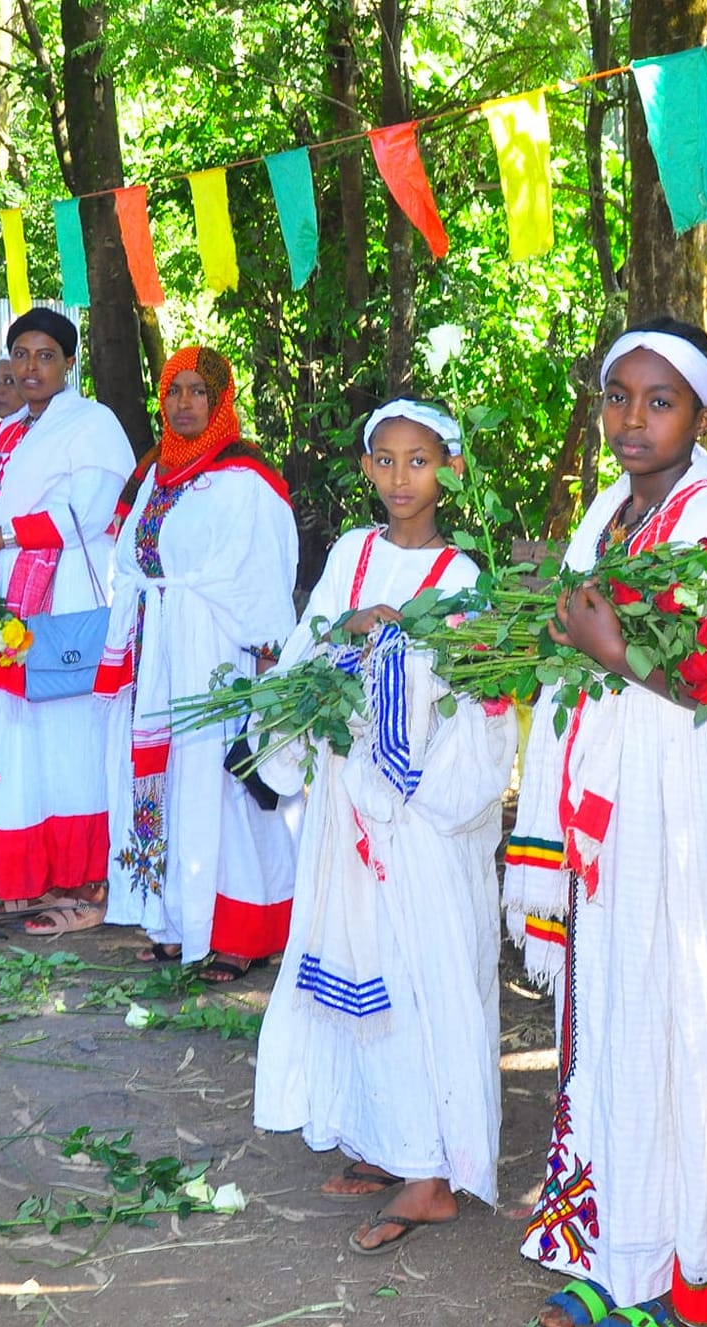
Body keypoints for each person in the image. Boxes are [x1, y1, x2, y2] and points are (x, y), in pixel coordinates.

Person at [512, 319, 707, 1327]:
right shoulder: (606, 512)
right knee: (619, 1019)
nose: (632, 419)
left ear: (703, 414)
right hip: (620, 806)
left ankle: (701, 1270)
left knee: (692, 1018)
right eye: (617, 398)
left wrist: (611, 649)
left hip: (689, 806)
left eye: (658, 399)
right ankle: (624, 1254)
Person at [252, 399, 516, 1255]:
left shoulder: (462, 573)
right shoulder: (351, 554)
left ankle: (433, 1174)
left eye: (421, 461)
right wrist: (348, 632)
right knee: (356, 962)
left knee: (422, 966)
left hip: (419, 811)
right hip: (344, 798)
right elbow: (309, 647)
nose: (403, 478)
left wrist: (405, 654)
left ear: (449, 470)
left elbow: (479, 693)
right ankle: (383, 1137)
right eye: (388, 461)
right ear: (367, 469)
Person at [96, 347, 298, 975]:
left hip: (217, 652)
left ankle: (239, 932)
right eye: (173, 391)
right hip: (157, 648)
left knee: (221, 783)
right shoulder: (156, 471)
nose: (183, 404)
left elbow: (267, 570)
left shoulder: (245, 477)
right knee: (164, 783)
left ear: (220, 400)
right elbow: (129, 555)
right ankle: (179, 919)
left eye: (196, 393)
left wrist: (267, 655)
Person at [0, 309, 134, 929]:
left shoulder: (94, 424)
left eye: (46, 355)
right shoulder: (1, 435)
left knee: (69, 740)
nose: (31, 367)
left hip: (67, 600)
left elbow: (89, 512)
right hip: (2, 600)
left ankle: (85, 884)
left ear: (69, 362)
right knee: (12, 739)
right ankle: (24, 877)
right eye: (21, 355)